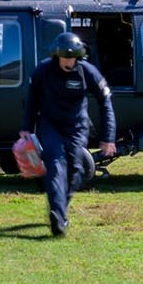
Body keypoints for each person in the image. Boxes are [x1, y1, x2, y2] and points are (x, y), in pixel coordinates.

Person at [20, 32, 117, 237]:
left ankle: (61, 207)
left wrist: (108, 137)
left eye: (72, 58)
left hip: (76, 127)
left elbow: (105, 103)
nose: (68, 61)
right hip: (50, 125)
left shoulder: (88, 72)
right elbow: (31, 100)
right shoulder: (43, 71)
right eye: (64, 57)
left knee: (76, 169)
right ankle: (57, 216)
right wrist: (26, 128)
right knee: (56, 164)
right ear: (56, 56)